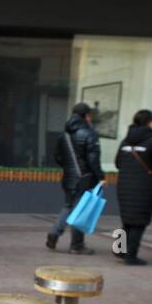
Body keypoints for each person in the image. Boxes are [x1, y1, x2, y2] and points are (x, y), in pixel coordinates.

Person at [113, 109, 152, 266]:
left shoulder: (126, 140)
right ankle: (131, 257)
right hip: (145, 186)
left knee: (127, 219)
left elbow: (117, 163)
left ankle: (119, 249)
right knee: (138, 221)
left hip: (124, 185)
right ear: (149, 122)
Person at [46, 102, 103, 255]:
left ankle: (54, 232)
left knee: (69, 206)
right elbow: (93, 159)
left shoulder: (64, 134)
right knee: (81, 210)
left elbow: (58, 157)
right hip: (84, 179)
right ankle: (76, 245)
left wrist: (69, 168)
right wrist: (100, 176)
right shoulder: (89, 133)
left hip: (69, 178)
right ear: (87, 116)